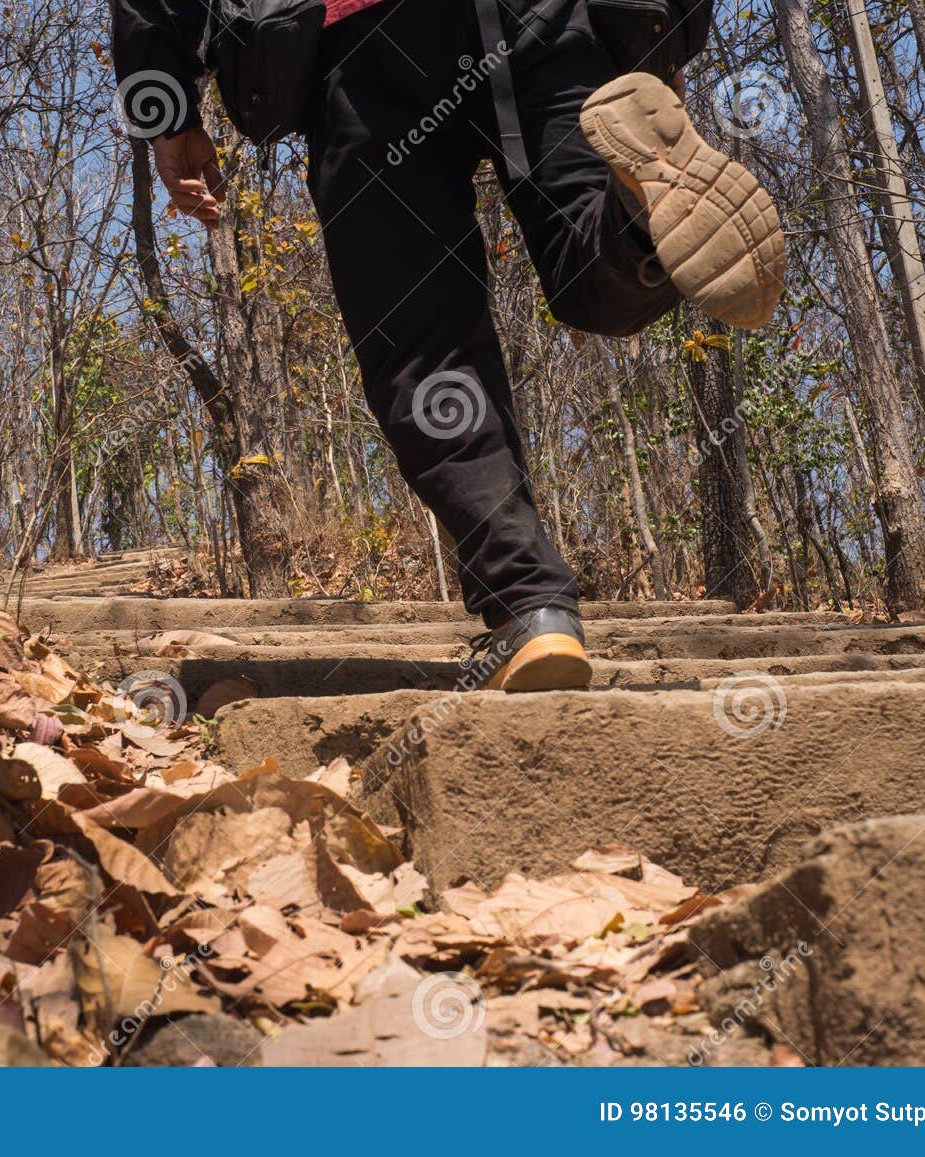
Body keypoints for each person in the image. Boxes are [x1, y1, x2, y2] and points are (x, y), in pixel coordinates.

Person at [110, 0, 786, 691]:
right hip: (543, 16)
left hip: (368, 41)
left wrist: (167, 109)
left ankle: (531, 605)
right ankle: (635, 215)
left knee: (422, 344)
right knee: (591, 262)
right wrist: (665, 34)